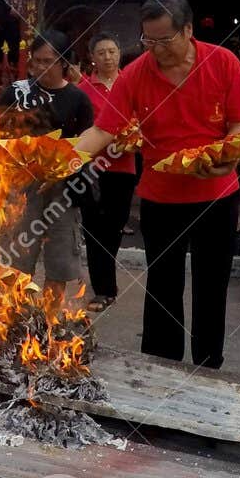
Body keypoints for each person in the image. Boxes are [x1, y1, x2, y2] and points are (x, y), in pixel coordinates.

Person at [74, 0, 240, 368]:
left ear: (188, 30)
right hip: (161, 199)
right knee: (162, 286)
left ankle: (208, 365)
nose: (156, 49)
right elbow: (103, 130)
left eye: (164, 40)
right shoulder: (135, 74)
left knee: (211, 285)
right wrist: (60, 158)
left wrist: (228, 158)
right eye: (148, 40)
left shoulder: (223, 62)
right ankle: (160, 367)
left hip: (216, 195)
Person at [0, 31, 95, 298]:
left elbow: (86, 145)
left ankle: (49, 316)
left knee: (60, 258)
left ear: (63, 62)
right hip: (22, 185)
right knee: (18, 256)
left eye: (47, 61)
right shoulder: (16, 93)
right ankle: (18, 312)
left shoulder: (78, 99)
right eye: (36, 61)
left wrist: (68, 174)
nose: (40, 67)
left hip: (62, 188)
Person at [78, 32, 136, 312]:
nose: (108, 57)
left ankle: (105, 278)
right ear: (92, 57)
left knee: (115, 225)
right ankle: (104, 289)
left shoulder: (131, 84)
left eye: (112, 51)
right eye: (101, 52)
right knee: (93, 227)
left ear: (119, 53)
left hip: (125, 166)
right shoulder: (83, 90)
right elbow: (81, 130)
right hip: (92, 167)